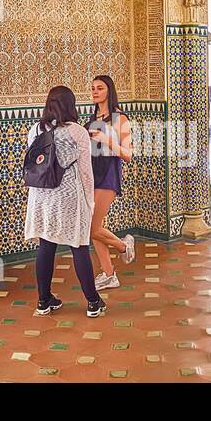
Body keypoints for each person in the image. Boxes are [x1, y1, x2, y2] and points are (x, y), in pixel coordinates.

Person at [24, 86, 105, 318]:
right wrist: (90, 201)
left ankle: (43, 301)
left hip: (42, 195)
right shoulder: (77, 131)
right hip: (69, 195)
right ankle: (93, 301)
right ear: (71, 105)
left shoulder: (35, 129)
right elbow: (86, 172)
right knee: (79, 246)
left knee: (46, 246)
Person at [87, 74, 135, 290]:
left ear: (109, 91)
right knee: (96, 227)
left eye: (100, 88)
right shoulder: (91, 118)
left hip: (108, 175)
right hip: (92, 174)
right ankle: (108, 274)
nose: (95, 91)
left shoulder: (120, 119)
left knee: (91, 227)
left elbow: (128, 154)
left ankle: (123, 246)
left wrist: (107, 140)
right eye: (93, 88)